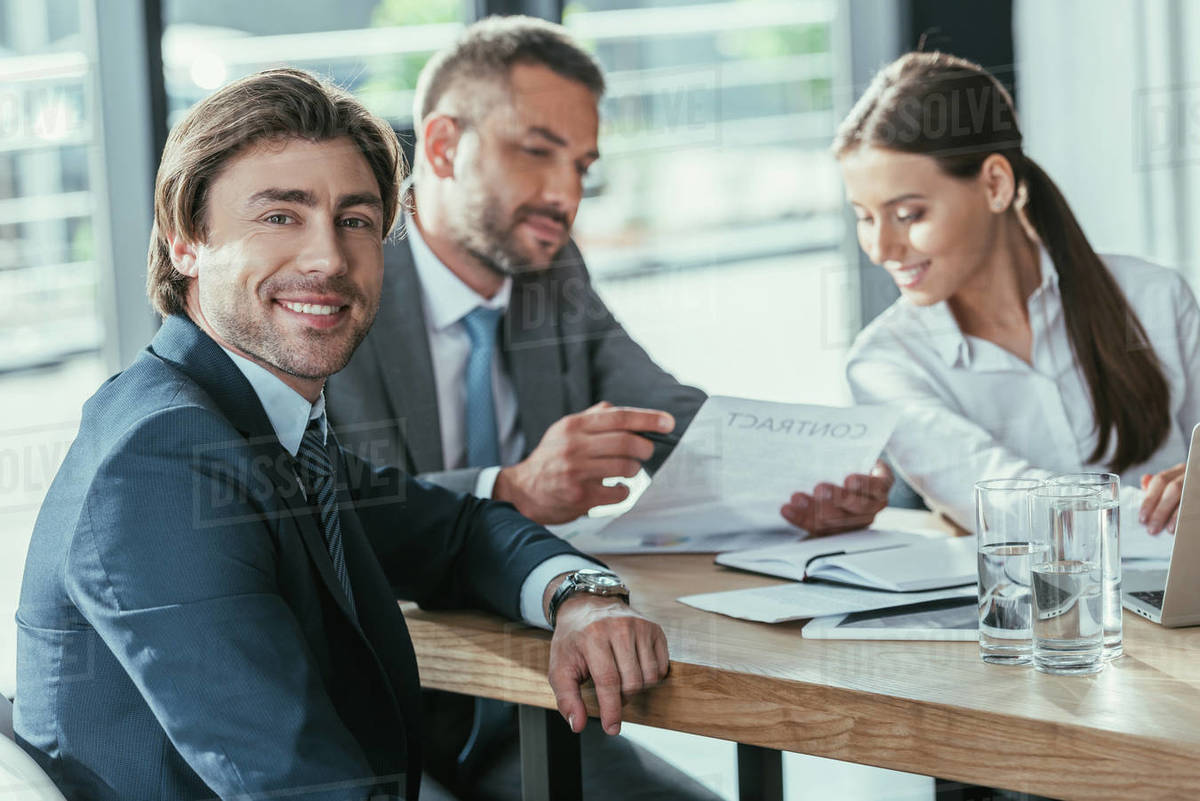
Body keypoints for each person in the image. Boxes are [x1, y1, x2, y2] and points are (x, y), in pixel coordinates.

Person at [14, 68, 672, 801]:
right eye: (280, 217)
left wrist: (581, 595)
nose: (327, 259)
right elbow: (299, 787)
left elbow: (458, 531)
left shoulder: (257, 426)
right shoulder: (164, 458)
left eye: (354, 220)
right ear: (184, 244)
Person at [326, 18, 892, 798]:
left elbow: (666, 415)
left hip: (539, 694)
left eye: (583, 165)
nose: (566, 194)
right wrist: (510, 487)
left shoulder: (551, 270)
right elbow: (331, 500)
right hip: (363, 716)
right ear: (446, 145)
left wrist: (804, 484)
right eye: (537, 150)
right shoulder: (338, 275)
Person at [837, 51, 1200, 541]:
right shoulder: (884, 364)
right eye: (864, 216)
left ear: (994, 185)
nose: (881, 248)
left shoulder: (1155, 298)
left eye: (908, 216)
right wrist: (1185, 522)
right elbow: (1010, 508)